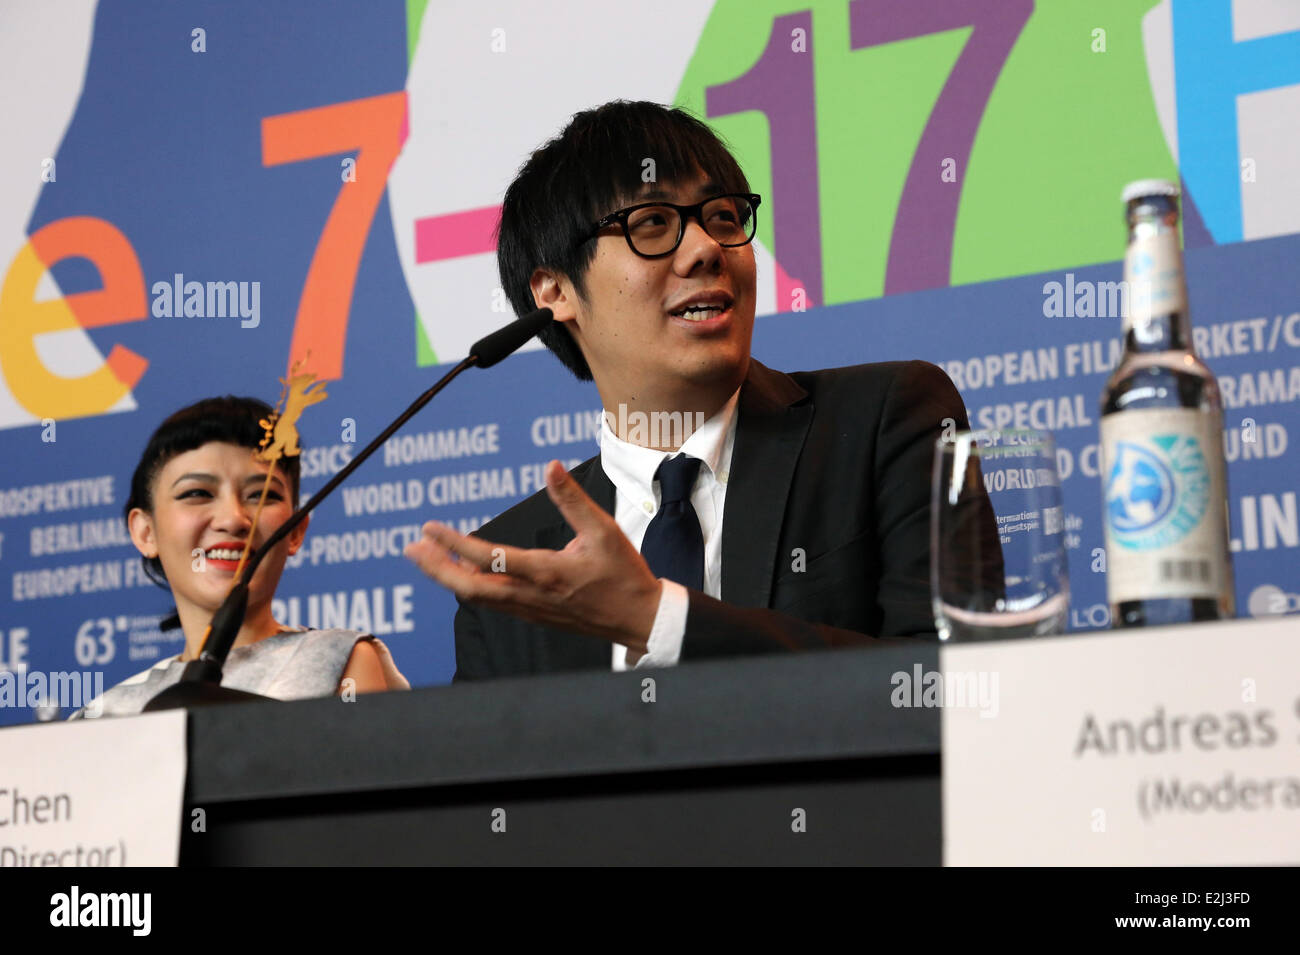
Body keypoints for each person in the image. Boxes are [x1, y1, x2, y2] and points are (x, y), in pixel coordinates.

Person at [404, 100, 973, 679]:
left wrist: (662, 622)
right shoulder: (515, 567)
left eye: (724, 217)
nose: (706, 248)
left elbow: (958, 686)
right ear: (555, 292)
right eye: (652, 222)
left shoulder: (883, 425)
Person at [74, 396, 407, 718]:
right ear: (146, 532)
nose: (233, 519)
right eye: (197, 494)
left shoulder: (340, 660)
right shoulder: (108, 712)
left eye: (261, 495)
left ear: (295, 531)